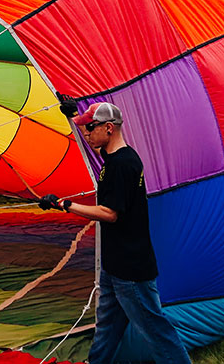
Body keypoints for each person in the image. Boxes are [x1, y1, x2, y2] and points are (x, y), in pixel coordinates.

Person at [40, 100, 191, 364]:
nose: (87, 133)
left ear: (108, 128)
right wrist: (73, 115)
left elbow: (110, 213)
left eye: (91, 127)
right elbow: (93, 144)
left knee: (156, 330)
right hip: (114, 266)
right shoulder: (114, 157)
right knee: (107, 328)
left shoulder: (122, 165)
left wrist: (64, 204)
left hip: (130, 270)